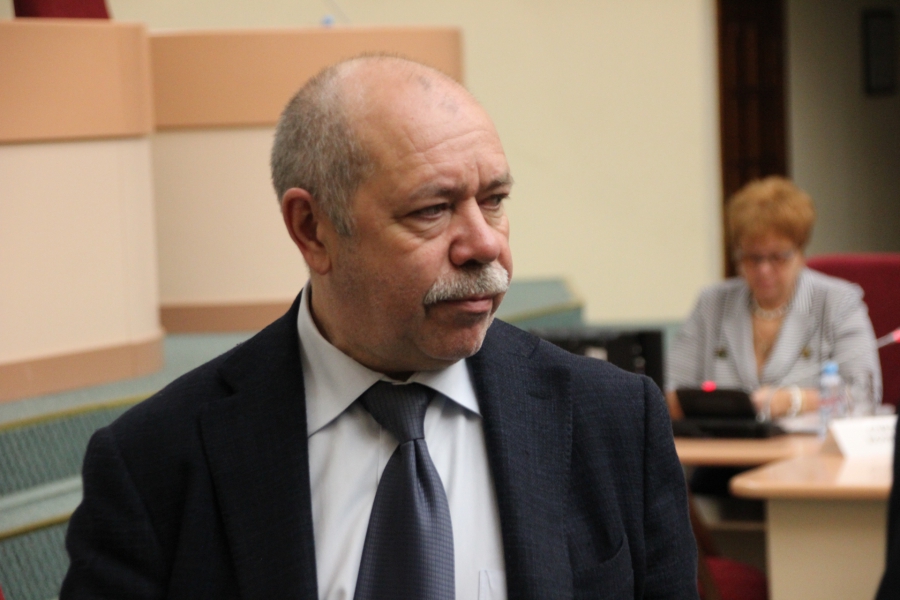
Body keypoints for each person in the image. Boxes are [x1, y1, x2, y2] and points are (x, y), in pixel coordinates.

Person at [60, 55, 698, 599]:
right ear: (312, 230)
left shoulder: (613, 422)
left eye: (495, 201)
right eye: (433, 209)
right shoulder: (156, 461)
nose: (484, 244)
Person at [666, 176, 881, 421]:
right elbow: (670, 390)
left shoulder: (838, 302)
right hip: (721, 442)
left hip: (809, 444)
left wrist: (794, 400)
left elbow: (865, 394)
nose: (764, 270)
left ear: (800, 253)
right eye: (752, 257)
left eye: (778, 257)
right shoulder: (712, 303)